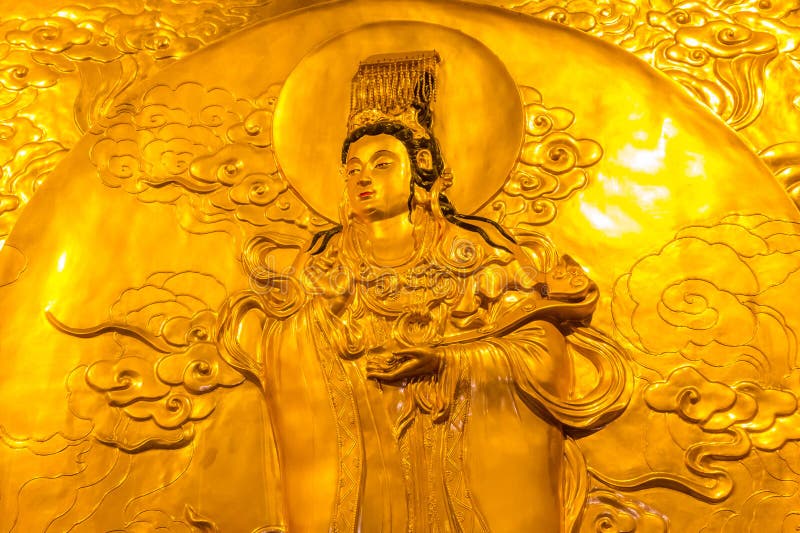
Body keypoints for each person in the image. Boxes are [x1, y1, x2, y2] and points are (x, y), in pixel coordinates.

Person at [218, 51, 630, 532]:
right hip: (365, 480)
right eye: (351, 168)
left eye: (381, 162)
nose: (362, 177)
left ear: (421, 169)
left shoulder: (476, 260)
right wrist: (319, 339)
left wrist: (449, 362)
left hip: (451, 473)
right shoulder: (320, 271)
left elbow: (543, 357)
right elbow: (289, 362)